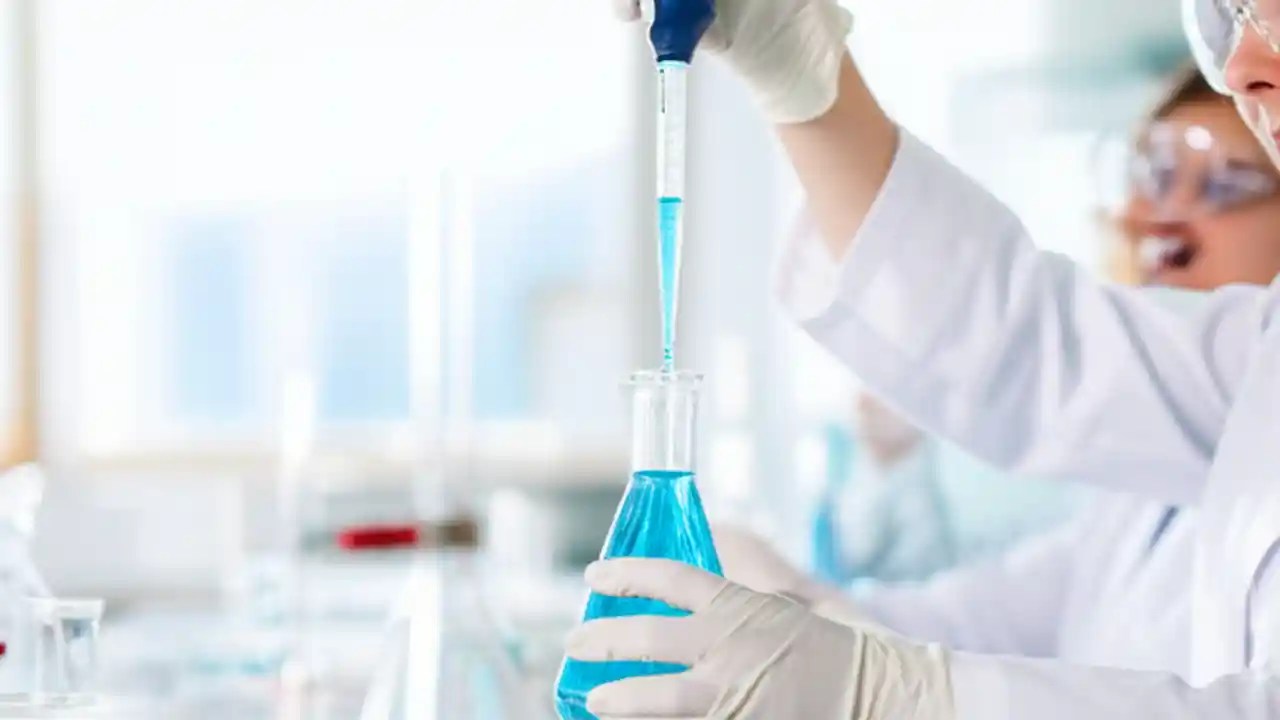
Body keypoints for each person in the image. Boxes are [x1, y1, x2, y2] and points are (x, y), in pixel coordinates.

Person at [563, 0, 1280, 717]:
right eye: (1234, 14)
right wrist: (806, 81)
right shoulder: (1252, 362)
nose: (1241, 66)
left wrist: (879, 692)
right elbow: (1025, 349)